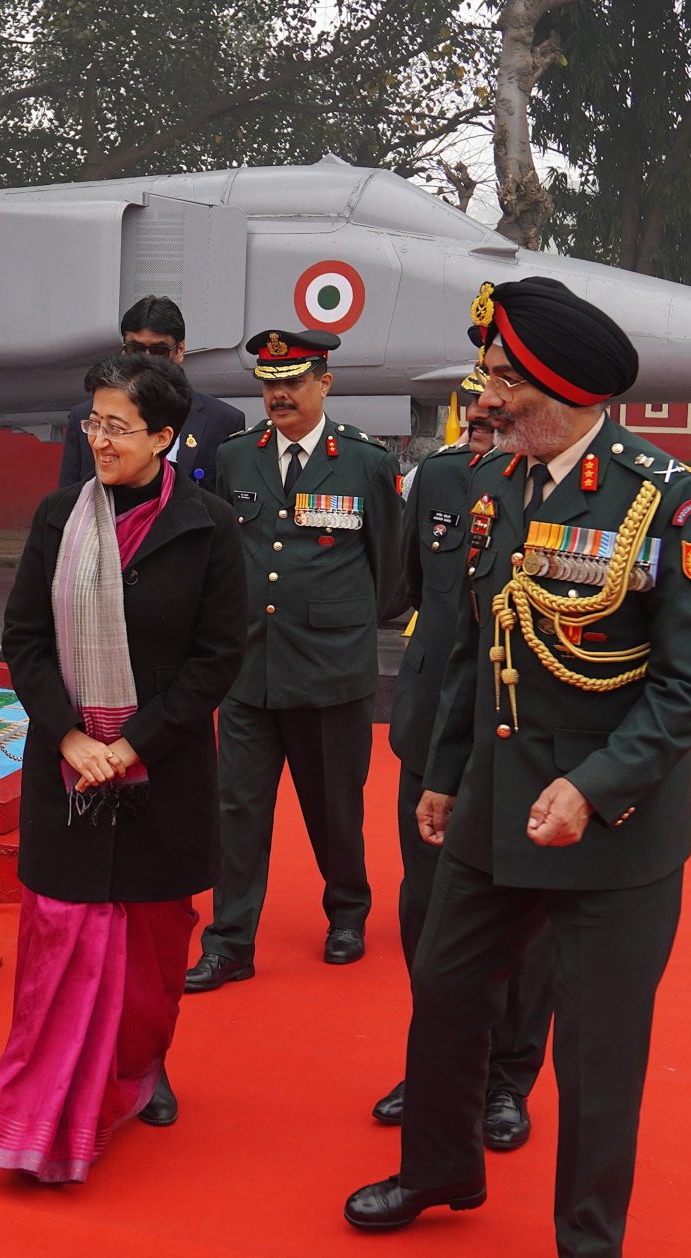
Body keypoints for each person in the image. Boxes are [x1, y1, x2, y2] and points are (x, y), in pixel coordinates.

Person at [343, 278, 691, 1258]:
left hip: (614, 827)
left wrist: (594, 783)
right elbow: (482, 650)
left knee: (598, 1053)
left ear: (560, 388)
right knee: (446, 982)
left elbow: (688, 685)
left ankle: (587, 1257)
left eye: (506, 381)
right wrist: (443, 772)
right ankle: (439, 1168)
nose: (489, 396)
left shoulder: (668, 501)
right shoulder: (496, 488)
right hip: (498, 800)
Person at [0, 353, 246, 1183]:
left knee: (154, 953)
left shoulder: (207, 527)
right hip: (67, 775)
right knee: (56, 943)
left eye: (118, 426)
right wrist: (67, 736)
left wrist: (131, 744)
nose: (100, 439)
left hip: (159, 772)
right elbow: (24, 637)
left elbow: (217, 657)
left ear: (165, 436)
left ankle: (142, 1068)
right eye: (93, 422)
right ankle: (39, 1120)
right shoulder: (59, 518)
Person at [185, 328, 401, 992]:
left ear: (324, 383)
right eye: (269, 383)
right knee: (238, 809)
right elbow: (223, 559)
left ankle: (346, 915)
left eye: (293, 381)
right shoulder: (236, 457)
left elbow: (392, 573)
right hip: (251, 670)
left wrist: (339, 623)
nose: (278, 394)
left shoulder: (364, 461)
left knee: (334, 805)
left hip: (331, 673)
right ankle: (230, 942)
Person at [374, 378, 556, 1147]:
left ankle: (506, 1079)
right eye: (475, 413)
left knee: (523, 922)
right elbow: (409, 590)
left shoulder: (559, 486)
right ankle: (441, 1063)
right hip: (433, 727)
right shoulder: (441, 479)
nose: (486, 423)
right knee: (429, 913)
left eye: (497, 409)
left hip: (524, 737)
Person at [58, 295, 246, 493]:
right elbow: (69, 504)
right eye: (135, 349)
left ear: (180, 349)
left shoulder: (224, 421)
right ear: (123, 351)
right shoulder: (85, 419)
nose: (146, 362)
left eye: (159, 350)